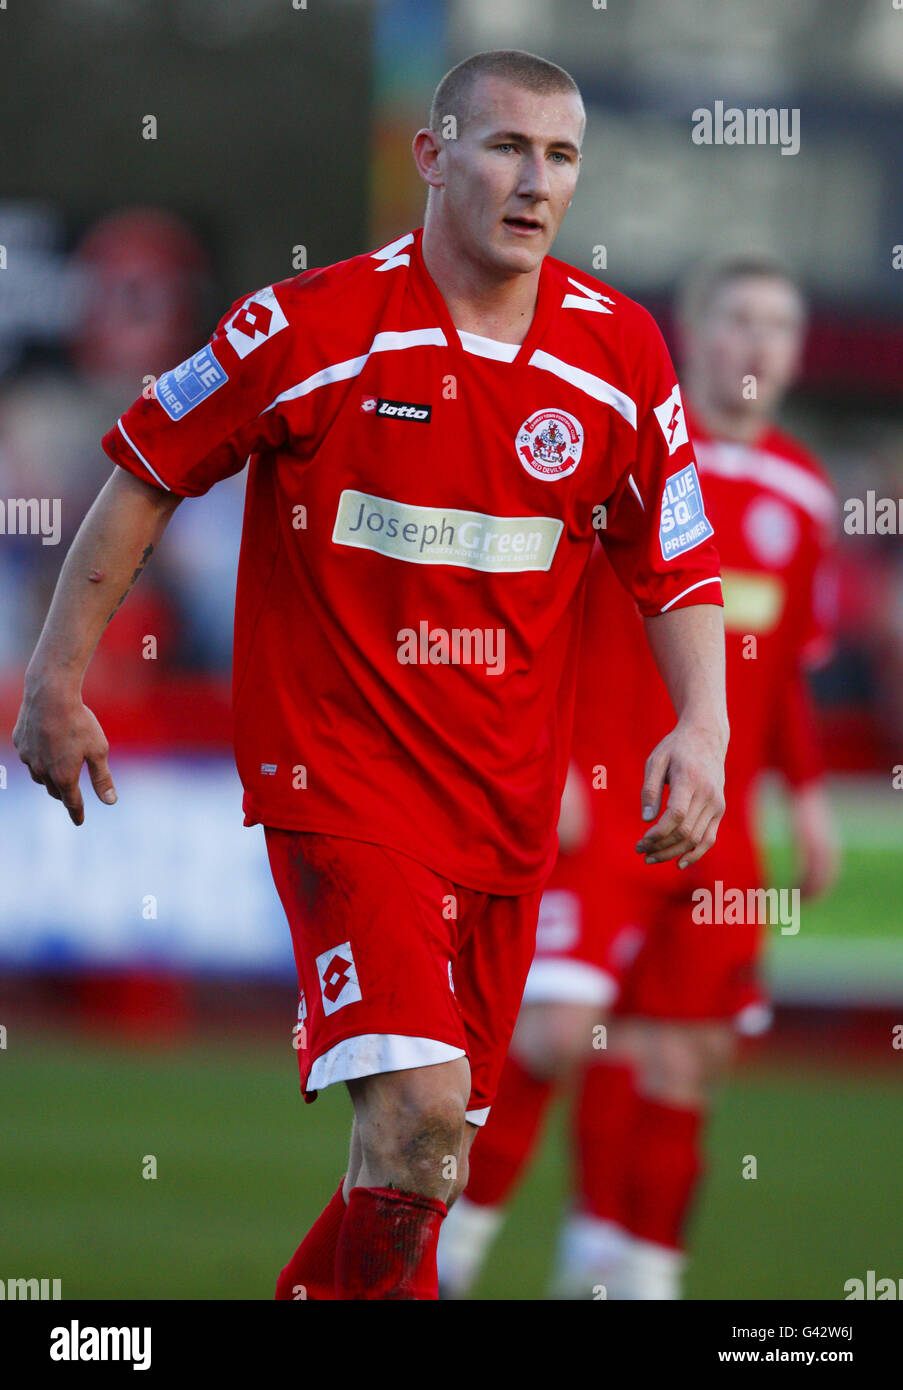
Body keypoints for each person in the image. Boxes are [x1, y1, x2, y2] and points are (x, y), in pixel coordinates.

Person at [13, 50, 728, 1301]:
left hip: (503, 811)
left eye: (560, 157)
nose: (535, 181)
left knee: (419, 1161)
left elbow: (671, 562)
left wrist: (704, 729)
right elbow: (145, 471)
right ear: (433, 156)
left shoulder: (617, 354)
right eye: (506, 146)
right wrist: (54, 681)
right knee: (419, 1117)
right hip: (339, 780)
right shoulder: (312, 324)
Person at [438, 256, 839, 1300]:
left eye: (779, 325)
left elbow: (784, 670)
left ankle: (622, 1280)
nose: (757, 343)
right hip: (605, 796)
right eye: (738, 319)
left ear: (797, 352)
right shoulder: (632, 458)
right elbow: (539, 619)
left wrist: (805, 800)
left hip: (722, 823)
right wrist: (554, 760)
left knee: (681, 1060)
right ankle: (442, 1261)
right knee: (553, 1033)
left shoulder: (803, 492)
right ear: (694, 335)